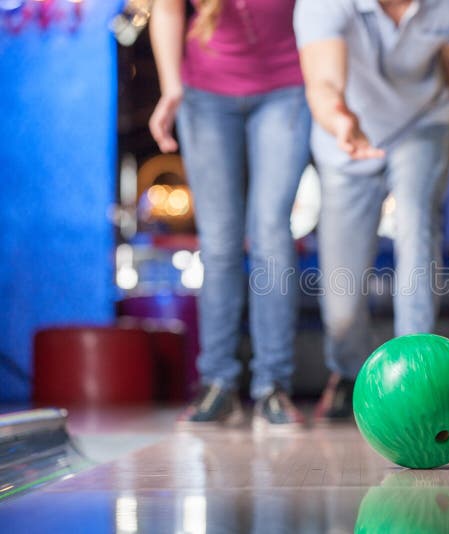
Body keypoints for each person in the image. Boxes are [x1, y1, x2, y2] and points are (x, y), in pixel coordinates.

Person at [294, 0, 449, 423]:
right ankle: (348, 373)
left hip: (422, 124)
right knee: (341, 307)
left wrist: (443, 126)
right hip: (346, 132)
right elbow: (323, 84)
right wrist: (341, 122)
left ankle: (416, 378)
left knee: (417, 223)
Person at [149, 0, 311, 429]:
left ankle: (272, 385)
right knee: (219, 242)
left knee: (271, 233)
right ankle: (217, 383)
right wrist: (171, 88)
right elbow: (167, 11)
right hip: (205, 94)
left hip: (287, 87)